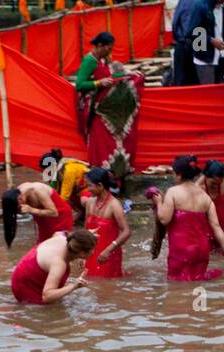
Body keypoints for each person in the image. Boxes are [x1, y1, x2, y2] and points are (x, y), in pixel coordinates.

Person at [151, 155, 224, 281]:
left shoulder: (173, 192)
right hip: (202, 251)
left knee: (177, 287)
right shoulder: (205, 197)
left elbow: (164, 219)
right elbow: (216, 227)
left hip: (182, 250)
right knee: (197, 281)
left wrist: (158, 203)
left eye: (174, 174)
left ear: (179, 175)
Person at [74, 33, 146, 181]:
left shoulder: (104, 59)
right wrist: (98, 83)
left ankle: (116, 175)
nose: (109, 51)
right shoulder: (89, 61)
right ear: (99, 45)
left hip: (108, 113)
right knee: (102, 145)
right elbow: (79, 85)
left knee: (113, 143)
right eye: (108, 48)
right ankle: (100, 177)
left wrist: (129, 73)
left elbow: (113, 74)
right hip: (98, 112)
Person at [10, 229, 98, 304]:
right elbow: (47, 296)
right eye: (93, 249)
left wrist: (85, 238)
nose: (94, 252)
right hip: (25, 288)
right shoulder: (59, 264)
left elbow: (59, 232)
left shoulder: (62, 238)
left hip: (22, 271)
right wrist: (74, 285)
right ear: (82, 253)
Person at [82, 169, 131, 278]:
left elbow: (126, 231)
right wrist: (82, 253)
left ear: (100, 185)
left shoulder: (114, 205)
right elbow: (86, 229)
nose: (88, 189)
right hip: (91, 253)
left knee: (107, 286)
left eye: (89, 186)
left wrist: (108, 250)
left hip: (109, 254)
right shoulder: (89, 202)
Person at [1, 180, 75, 248]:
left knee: (60, 244)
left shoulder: (38, 190)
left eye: (18, 206)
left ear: (19, 198)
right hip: (42, 217)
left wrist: (31, 209)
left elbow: (54, 213)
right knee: (42, 246)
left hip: (60, 215)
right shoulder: (16, 194)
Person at [172, 0, 222, 85]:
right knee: (198, 76)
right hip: (193, 42)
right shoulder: (203, 4)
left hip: (189, 42)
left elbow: (175, 23)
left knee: (184, 80)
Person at [40, 148, 91, 222]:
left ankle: (89, 219)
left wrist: (52, 213)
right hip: (78, 191)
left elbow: (64, 198)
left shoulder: (68, 170)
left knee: (81, 200)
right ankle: (80, 212)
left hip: (89, 191)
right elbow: (55, 191)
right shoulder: (60, 168)